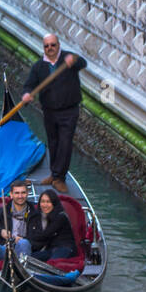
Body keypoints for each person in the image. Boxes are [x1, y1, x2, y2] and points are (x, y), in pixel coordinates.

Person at [21, 33, 87, 195]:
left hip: (69, 110)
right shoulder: (39, 67)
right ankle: (54, 173)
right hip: (49, 111)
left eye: (53, 45)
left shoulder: (68, 59)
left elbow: (83, 63)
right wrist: (27, 94)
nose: (50, 48)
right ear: (44, 48)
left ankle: (59, 178)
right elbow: (29, 85)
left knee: (65, 143)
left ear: (58, 45)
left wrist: (74, 61)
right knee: (53, 142)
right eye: (47, 46)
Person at [0, 180, 31, 266]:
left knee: (24, 243)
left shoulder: (35, 213)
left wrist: (23, 238)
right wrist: (0, 232)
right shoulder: (0, 212)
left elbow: (41, 236)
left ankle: (23, 272)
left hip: (24, 249)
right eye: (17, 193)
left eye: (23, 193)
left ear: (27, 194)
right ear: (11, 194)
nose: (20, 196)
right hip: (3, 249)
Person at [24, 189, 76, 262]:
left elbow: (45, 235)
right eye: (43, 202)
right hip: (51, 250)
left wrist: (24, 238)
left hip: (65, 248)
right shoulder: (40, 216)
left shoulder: (60, 217)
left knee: (52, 263)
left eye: (48, 202)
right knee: (27, 259)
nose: (45, 205)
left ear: (54, 203)